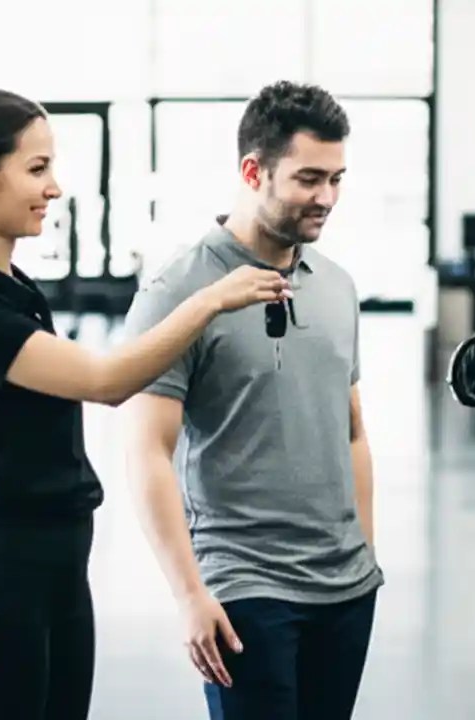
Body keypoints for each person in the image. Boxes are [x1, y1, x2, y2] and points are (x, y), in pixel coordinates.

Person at [0, 88, 290, 720]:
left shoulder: (13, 289)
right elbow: (107, 381)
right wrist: (211, 299)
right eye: (36, 168)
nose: (54, 188)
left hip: (54, 575)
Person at [121, 80, 383, 720]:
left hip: (345, 589)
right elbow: (147, 452)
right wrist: (189, 593)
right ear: (252, 171)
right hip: (245, 586)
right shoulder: (178, 290)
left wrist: (366, 555)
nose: (327, 199)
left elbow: (350, 430)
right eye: (308, 179)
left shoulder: (337, 287)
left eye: (337, 179)